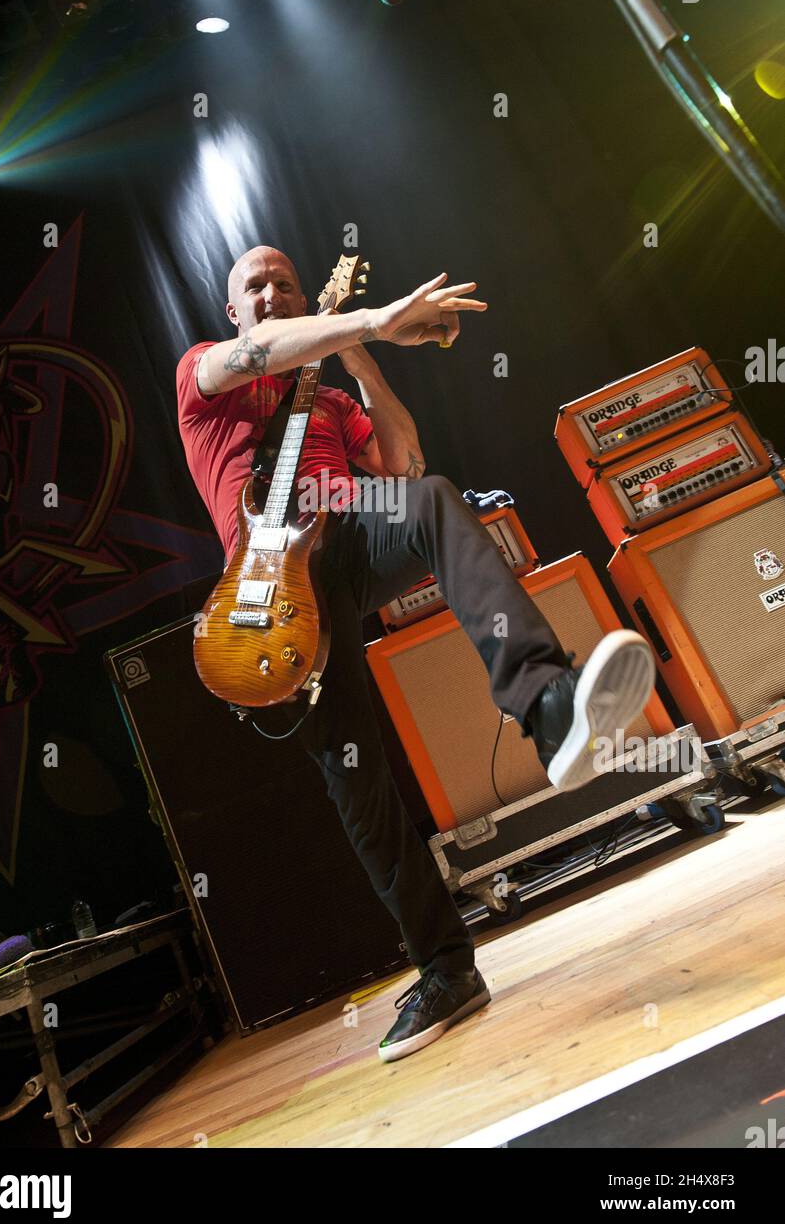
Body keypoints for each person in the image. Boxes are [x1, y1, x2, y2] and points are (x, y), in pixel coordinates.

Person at [175, 246, 655, 1063]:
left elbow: (402, 462)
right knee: (358, 788)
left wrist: (355, 352)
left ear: (308, 296)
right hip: (273, 590)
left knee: (431, 499)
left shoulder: (328, 395)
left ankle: (547, 704)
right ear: (232, 311)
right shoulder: (204, 375)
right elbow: (252, 357)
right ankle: (443, 968)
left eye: (284, 282)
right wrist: (370, 320)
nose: (270, 293)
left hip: (346, 530)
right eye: (253, 286)